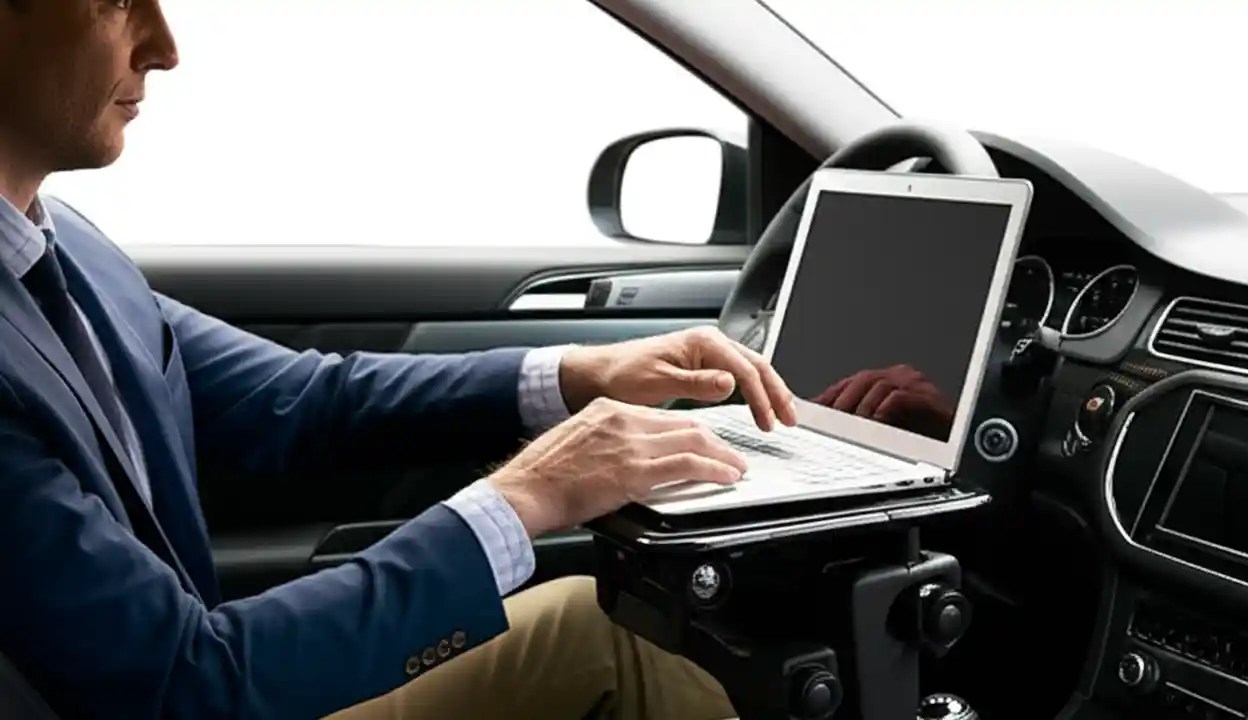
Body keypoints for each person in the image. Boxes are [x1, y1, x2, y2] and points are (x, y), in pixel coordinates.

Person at [0, 1, 800, 718]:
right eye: (118, 3)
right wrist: (525, 497)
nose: (165, 48)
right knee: (616, 651)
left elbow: (302, 398)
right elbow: (187, 683)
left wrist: (576, 376)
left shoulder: (65, 245)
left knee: (590, 628)